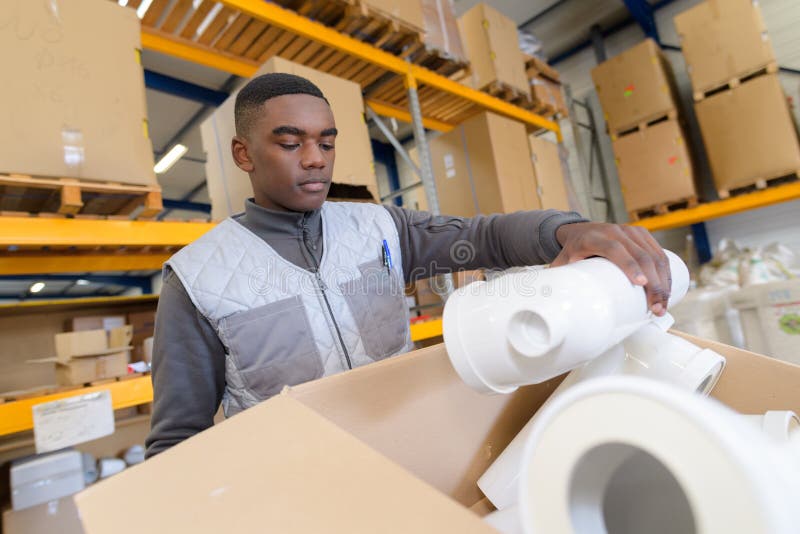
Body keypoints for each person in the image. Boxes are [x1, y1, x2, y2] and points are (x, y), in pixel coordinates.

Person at [145, 73, 671, 457]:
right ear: (243, 154)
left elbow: (481, 236)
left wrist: (568, 230)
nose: (315, 158)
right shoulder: (198, 279)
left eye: (327, 142)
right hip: (300, 484)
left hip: (409, 453)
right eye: (290, 142)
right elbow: (177, 440)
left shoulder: (379, 229)